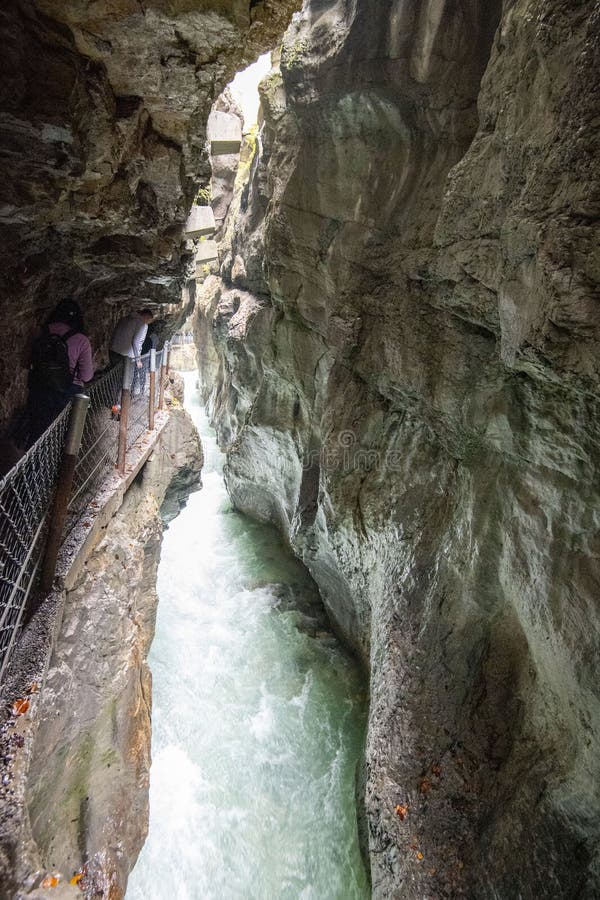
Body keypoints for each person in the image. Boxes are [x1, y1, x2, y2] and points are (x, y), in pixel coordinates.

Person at [26, 299, 94, 444]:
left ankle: (34, 464)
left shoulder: (40, 331)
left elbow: (27, 361)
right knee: (60, 436)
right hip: (67, 391)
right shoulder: (81, 340)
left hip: (40, 386)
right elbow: (87, 376)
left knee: (37, 431)